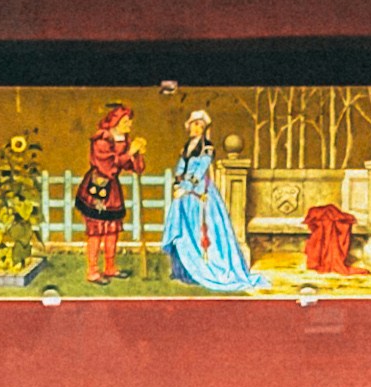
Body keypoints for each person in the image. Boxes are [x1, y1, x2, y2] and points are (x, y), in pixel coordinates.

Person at [159, 106, 259, 293]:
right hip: (183, 192)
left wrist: (187, 188)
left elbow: (200, 171)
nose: (196, 128)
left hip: (199, 193)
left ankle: (201, 269)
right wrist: (178, 183)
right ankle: (182, 270)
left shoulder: (207, 148)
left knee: (201, 231)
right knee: (181, 229)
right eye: (193, 125)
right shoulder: (186, 147)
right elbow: (181, 167)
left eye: (199, 125)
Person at [73, 100, 145, 285]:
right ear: (116, 121)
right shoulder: (102, 139)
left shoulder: (124, 140)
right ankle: (92, 271)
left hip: (112, 190)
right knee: (96, 231)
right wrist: (130, 153)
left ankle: (110, 267)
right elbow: (107, 165)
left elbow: (131, 165)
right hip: (98, 187)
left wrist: (137, 154)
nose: (130, 124)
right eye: (126, 121)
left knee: (112, 229)